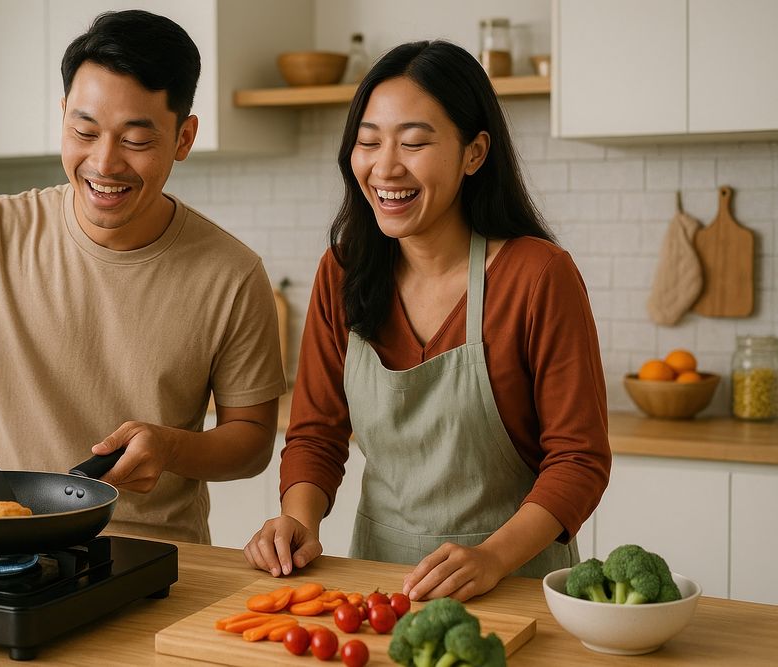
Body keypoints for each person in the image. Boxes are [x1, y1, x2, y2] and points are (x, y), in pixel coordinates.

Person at [0, 10, 286, 544]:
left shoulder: (232, 274)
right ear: (63, 118)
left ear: (184, 137)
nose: (104, 162)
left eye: (136, 140)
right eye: (84, 130)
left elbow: (253, 440)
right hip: (5, 543)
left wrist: (171, 448)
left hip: (155, 557)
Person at [244, 40, 611, 601]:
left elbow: (578, 460)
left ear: (474, 153)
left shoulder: (538, 275)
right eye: (368, 142)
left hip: (515, 583)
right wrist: (299, 518)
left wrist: (492, 559)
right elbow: (317, 434)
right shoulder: (343, 272)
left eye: (414, 142)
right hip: (379, 586)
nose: (385, 166)